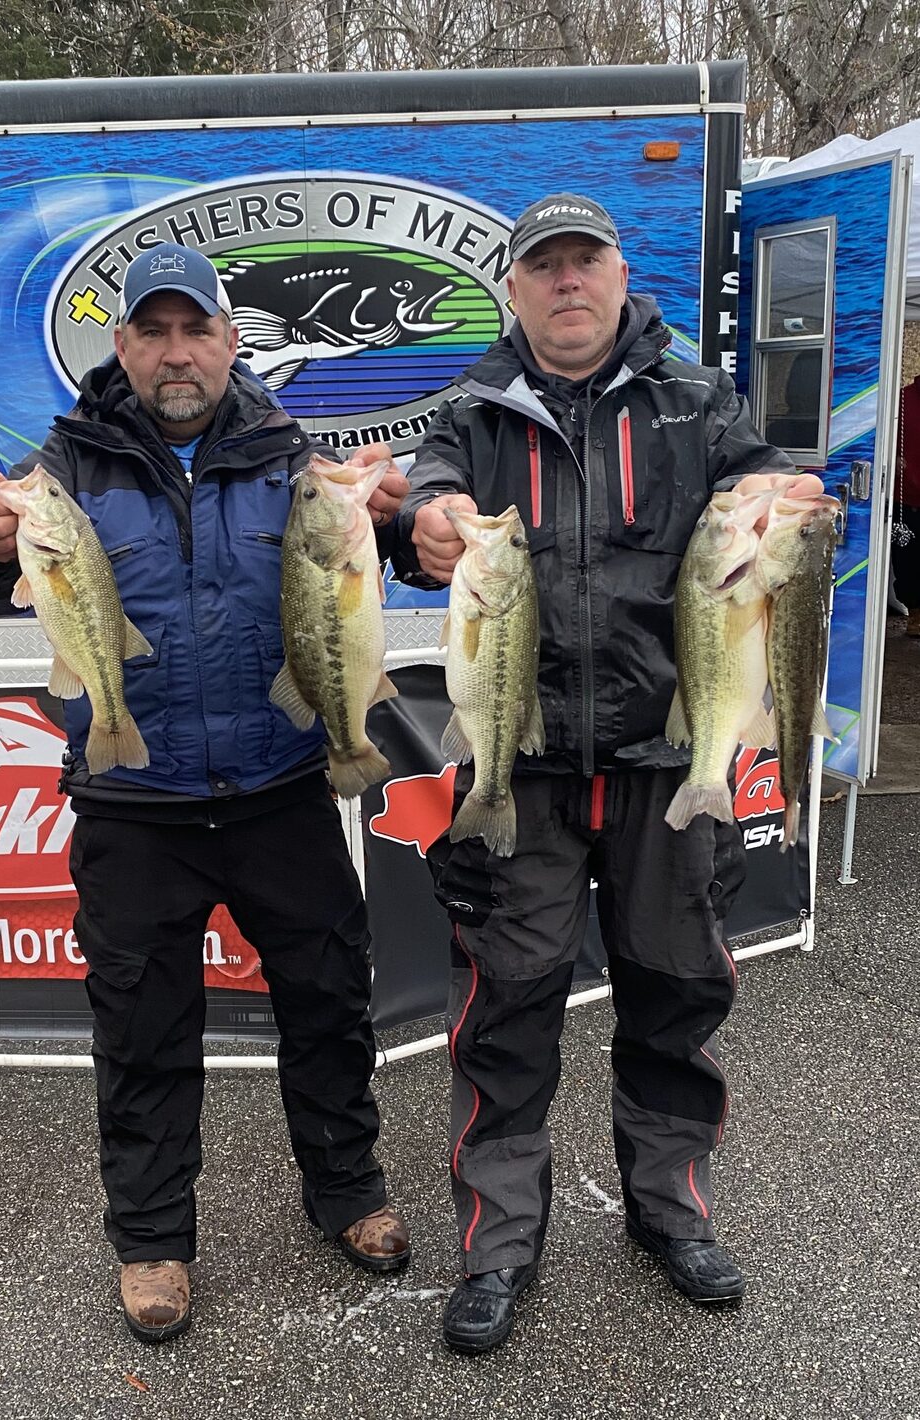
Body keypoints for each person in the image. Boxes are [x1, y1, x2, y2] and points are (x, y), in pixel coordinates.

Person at [0, 242, 411, 1344]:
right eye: (150, 332)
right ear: (120, 348)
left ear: (229, 341)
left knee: (329, 1005)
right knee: (143, 1029)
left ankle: (345, 1192)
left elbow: (381, 542)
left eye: (193, 328)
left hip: (280, 787)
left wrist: (394, 516)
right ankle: (151, 1238)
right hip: (132, 804)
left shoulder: (293, 457)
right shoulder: (61, 464)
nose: (174, 352)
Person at [389, 193, 823, 1353]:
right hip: (517, 770)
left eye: (586, 263)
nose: (566, 283)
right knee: (503, 1013)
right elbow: (425, 496)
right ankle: (496, 1238)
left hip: (666, 763)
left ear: (620, 277)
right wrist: (425, 524)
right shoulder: (475, 410)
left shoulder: (695, 396)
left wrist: (784, 492)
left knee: (677, 994)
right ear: (514, 288)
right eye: (544, 268)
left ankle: (667, 1206)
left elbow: (762, 471)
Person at [892, 374, 920, 635]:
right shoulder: (902, 399)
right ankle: (915, 614)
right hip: (906, 497)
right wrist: (894, 459)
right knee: (907, 561)